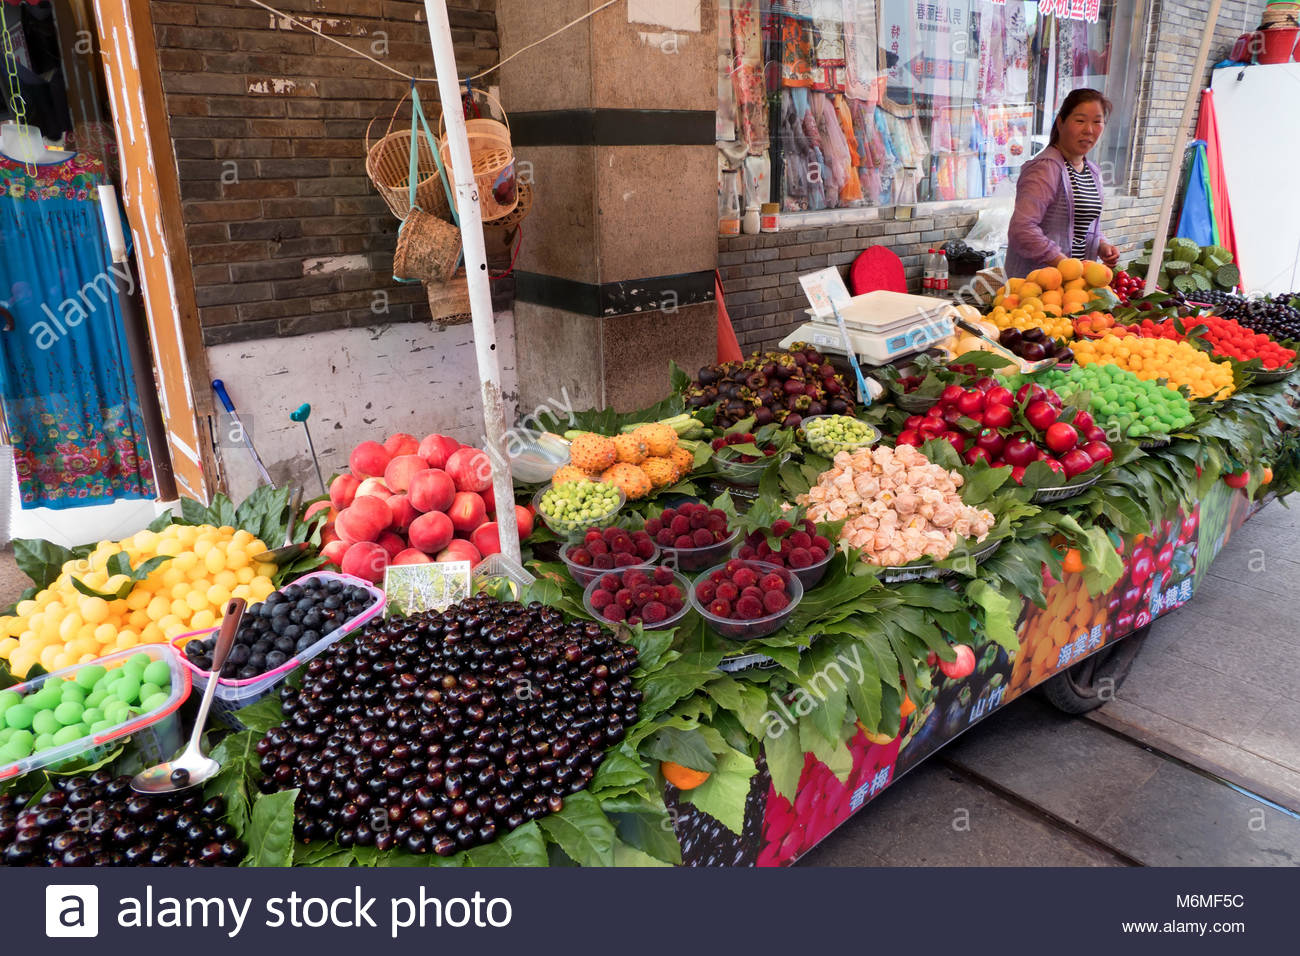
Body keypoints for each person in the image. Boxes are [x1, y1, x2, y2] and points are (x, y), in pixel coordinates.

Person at [1005, 89, 1120, 279]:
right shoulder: (1045, 168)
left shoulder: (1091, 170)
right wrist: (1062, 262)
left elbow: (1080, 227)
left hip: (1074, 287)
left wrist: (1101, 245)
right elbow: (1022, 228)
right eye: (1080, 121)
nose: (1089, 130)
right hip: (1038, 286)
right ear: (1060, 122)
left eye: (1097, 122)